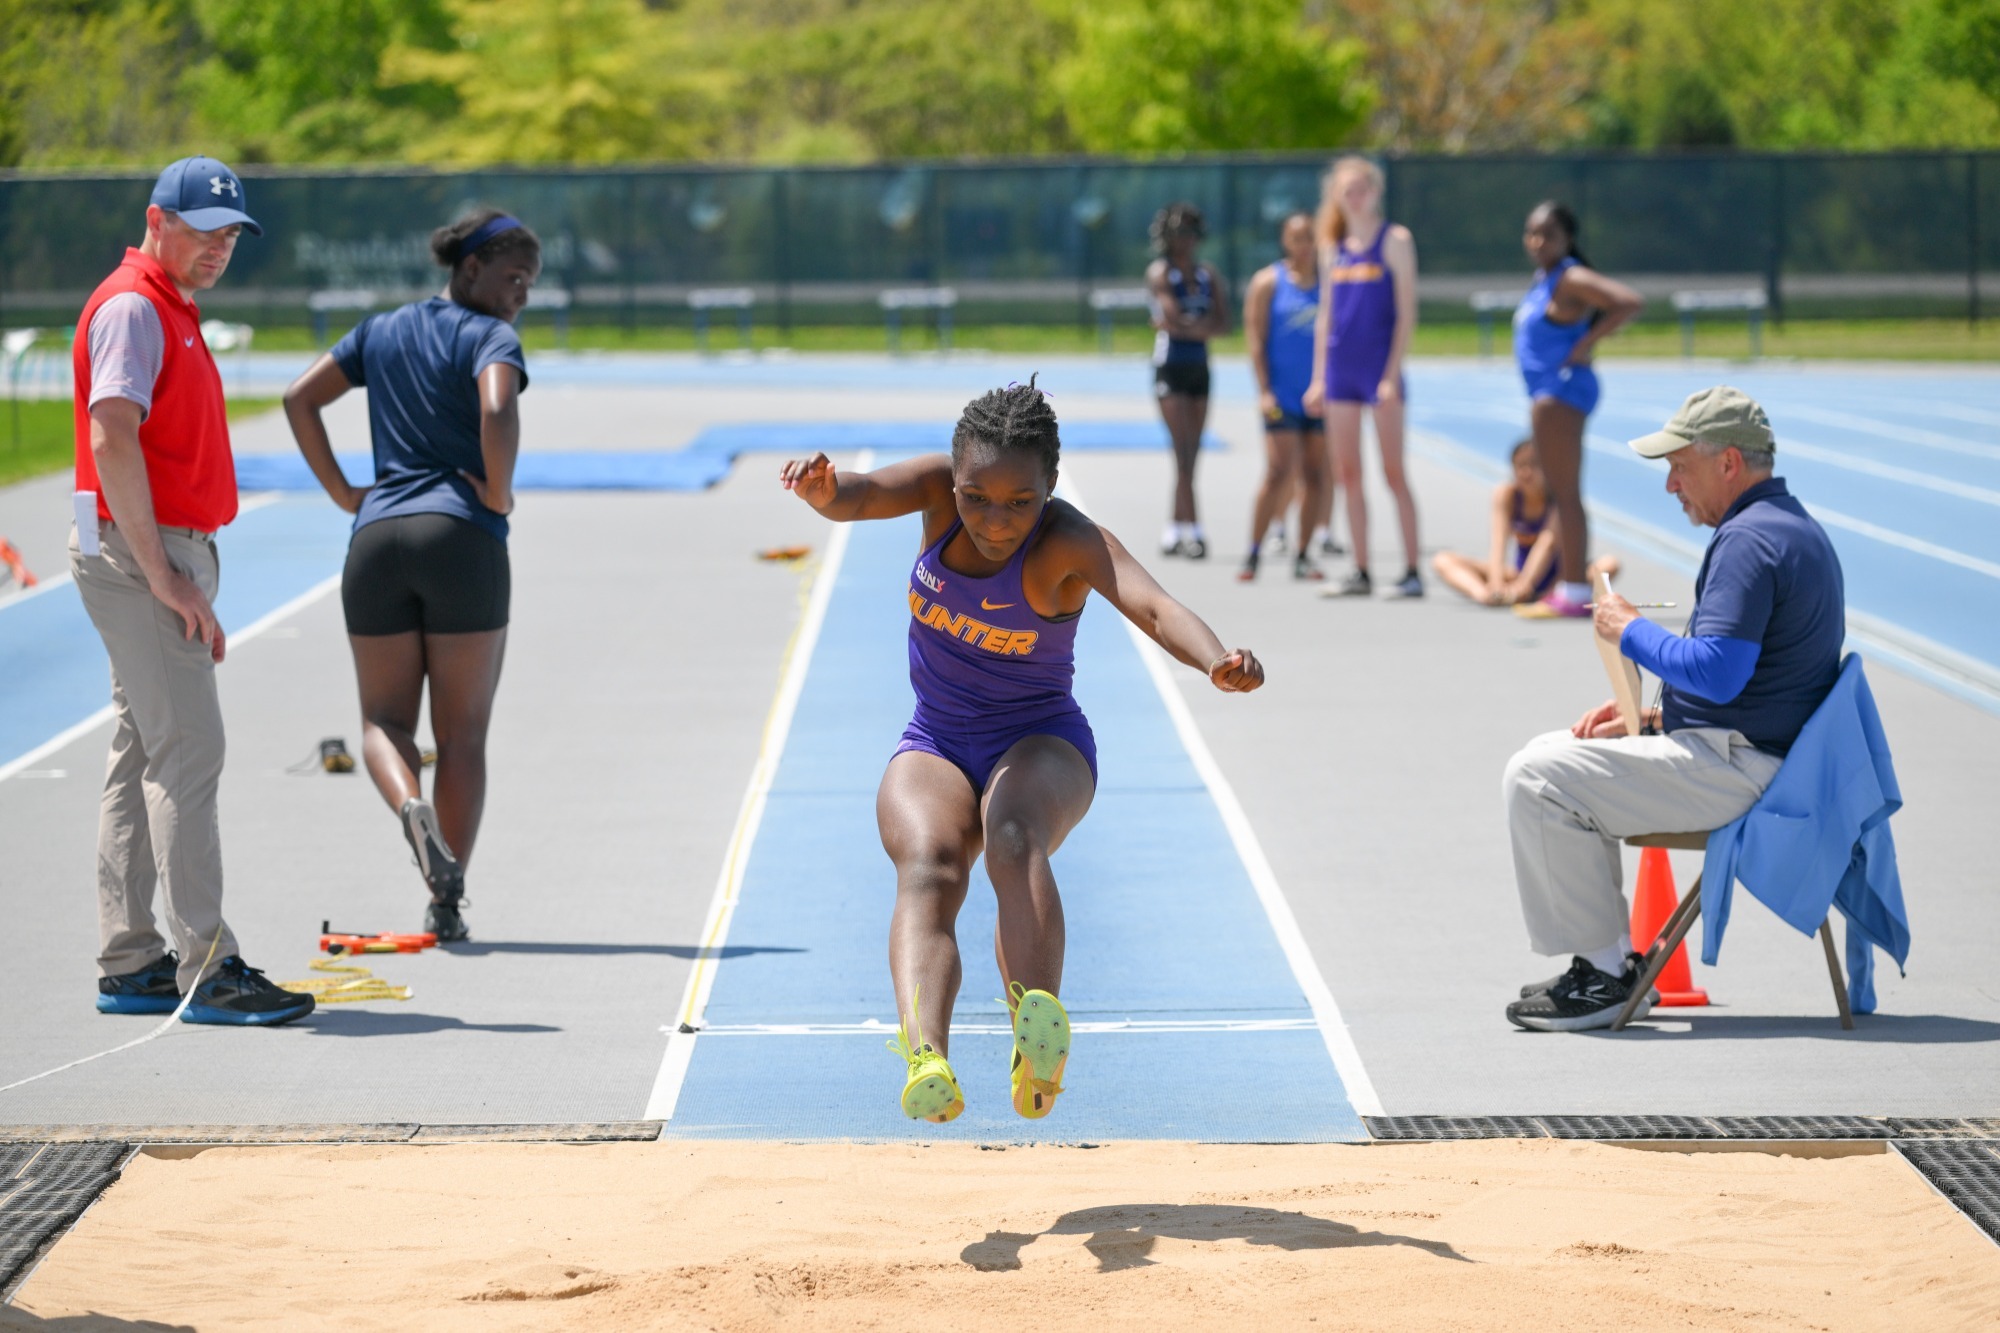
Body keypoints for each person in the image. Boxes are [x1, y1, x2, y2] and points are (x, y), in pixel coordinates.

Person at [779, 378, 1264, 1123]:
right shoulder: (937, 494)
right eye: (976, 497)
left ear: (1050, 488)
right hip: (936, 737)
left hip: (1040, 741)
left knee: (1011, 836)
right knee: (928, 866)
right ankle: (925, 1056)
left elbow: (1155, 603)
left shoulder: (1069, 539)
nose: (994, 521)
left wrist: (1215, 659)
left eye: (1018, 502)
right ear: (954, 478)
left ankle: (1036, 1036)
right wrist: (822, 491)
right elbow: (862, 493)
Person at [1501, 387, 1844, 1032]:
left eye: (1678, 467)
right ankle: (1604, 965)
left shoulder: (1750, 542)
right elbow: (1755, 679)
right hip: (1763, 755)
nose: (1670, 486)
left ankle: (1604, 978)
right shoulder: (1789, 526)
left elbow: (1718, 672)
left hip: (1744, 770)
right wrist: (1654, 718)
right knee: (1548, 753)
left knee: (1536, 778)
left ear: (1729, 464)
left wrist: (1630, 629)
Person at [70, 156, 314, 1026]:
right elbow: (111, 438)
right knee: (189, 753)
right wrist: (166, 574)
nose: (218, 247)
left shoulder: (166, 300)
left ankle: (131, 958)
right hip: (145, 554)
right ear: (156, 218)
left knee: (141, 749)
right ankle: (208, 966)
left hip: (149, 547)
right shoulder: (136, 305)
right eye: (202, 230)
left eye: (230, 235)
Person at [282, 209, 538, 942]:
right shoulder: (491, 337)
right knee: (461, 737)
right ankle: (446, 899)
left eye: (530, 284)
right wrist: (496, 491)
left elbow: (299, 397)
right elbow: (497, 404)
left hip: (376, 539)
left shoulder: (380, 330)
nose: (520, 294)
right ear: (470, 268)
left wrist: (342, 493)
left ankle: (408, 809)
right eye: (513, 277)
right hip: (462, 535)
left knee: (381, 722)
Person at [1510, 200, 1644, 620]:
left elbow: (1627, 301)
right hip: (1550, 393)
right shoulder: (1545, 279)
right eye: (1531, 232)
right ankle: (1566, 584)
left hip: (1560, 393)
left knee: (1564, 494)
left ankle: (1571, 591)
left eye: (1547, 234)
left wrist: (1585, 343)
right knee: (1558, 492)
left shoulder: (1569, 276)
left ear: (1567, 238)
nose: (1537, 241)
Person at [1303, 156, 1421, 599]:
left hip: (1379, 372)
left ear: (1375, 191)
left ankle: (1411, 570)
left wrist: (1390, 375)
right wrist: (1318, 379)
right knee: (1348, 473)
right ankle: (1361, 568)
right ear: (1336, 194)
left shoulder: (1395, 240)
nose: (1354, 197)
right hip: (1340, 374)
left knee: (1393, 472)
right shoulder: (1332, 245)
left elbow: (1406, 313)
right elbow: (1325, 316)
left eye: (1362, 188)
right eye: (1346, 189)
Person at [1239, 212, 1330, 583]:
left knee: (1315, 475)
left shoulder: (1330, 282)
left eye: (1310, 237)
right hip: (1282, 395)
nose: (1304, 245)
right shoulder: (1268, 282)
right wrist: (1263, 390)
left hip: (1320, 395)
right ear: (1285, 241)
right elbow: (1256, 340)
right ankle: (1254, 552)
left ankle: (1304, 553)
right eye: (1297, 238)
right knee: (1278, 472)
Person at [1432, 438, 1619, 606]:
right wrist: (1496, 582)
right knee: (1443, 560)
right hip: (1517, 573)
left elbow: (1546, 543)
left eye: (1533, 466)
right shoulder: (1507, 495)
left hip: (1558, 577)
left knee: (1609, 564)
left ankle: (1551, 595)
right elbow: (1498, 542)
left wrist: (1525, 584)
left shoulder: (1558, 501)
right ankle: (1483, 595)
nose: (1526, 473)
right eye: (1520, 466)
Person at [1146, 203, 1229, 559]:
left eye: (1192, 234)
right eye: (1180, 234)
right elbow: (1172, 318)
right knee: (1181, 451)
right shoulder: (1160, 272)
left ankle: (1174, 526)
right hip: (1171, 367)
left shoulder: (1208, 275)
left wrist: (1191, 327)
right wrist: (1201, 327)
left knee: (1192, 455)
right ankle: (1195, 530)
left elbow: (1224, 323)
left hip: (1200, 368)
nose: (1186, 241)